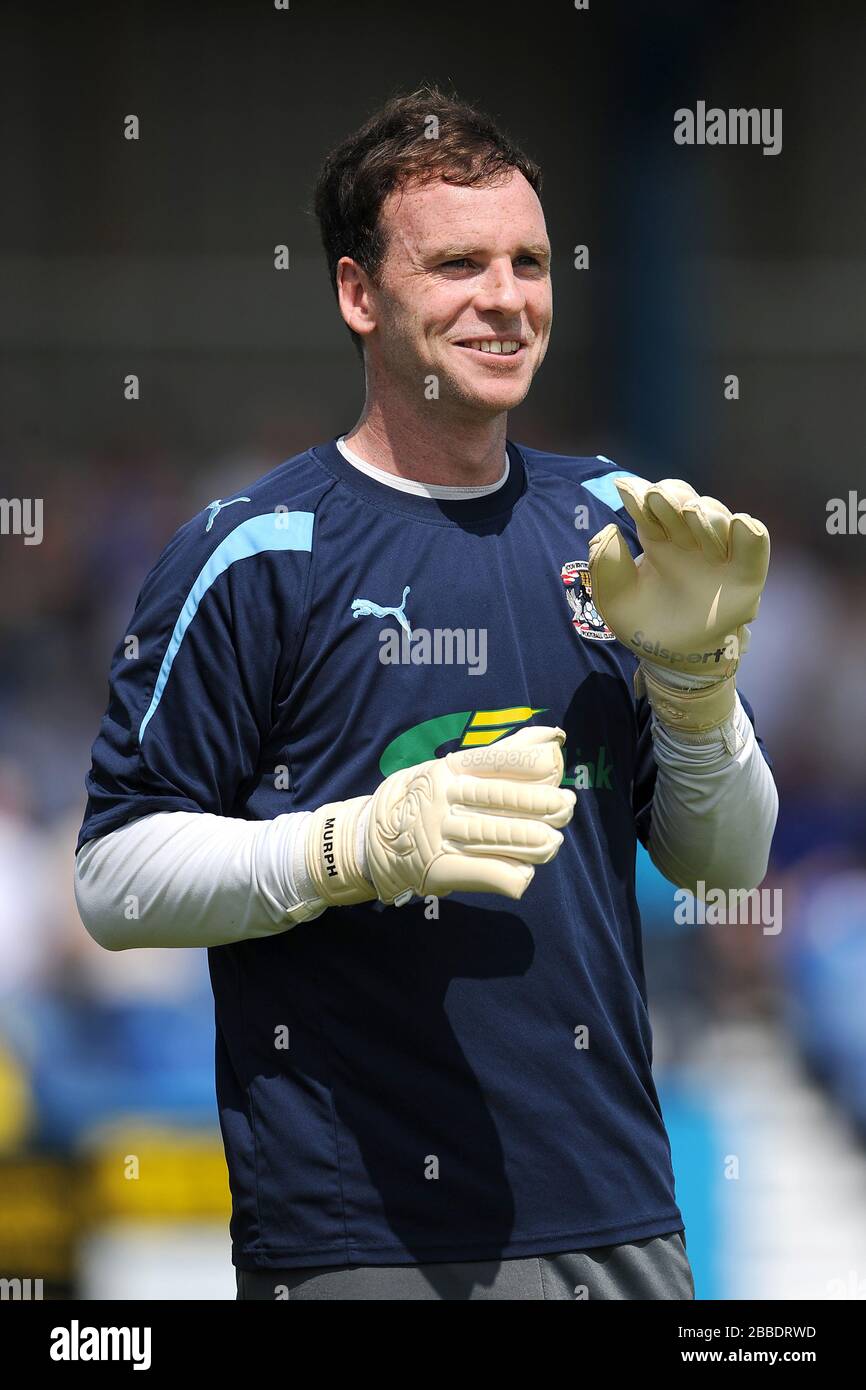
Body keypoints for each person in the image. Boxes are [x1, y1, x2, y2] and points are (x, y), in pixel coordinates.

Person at [74, 85, 777, 1301]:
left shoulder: (618, 523)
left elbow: (725, 864)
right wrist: (354, 846)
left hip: (620, 1220)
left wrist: (696, 687)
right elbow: (113, 877)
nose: (504, 299)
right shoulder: (256, 550)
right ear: (359, 294)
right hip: (359, 1240)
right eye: (457, 263)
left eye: (528, 262)